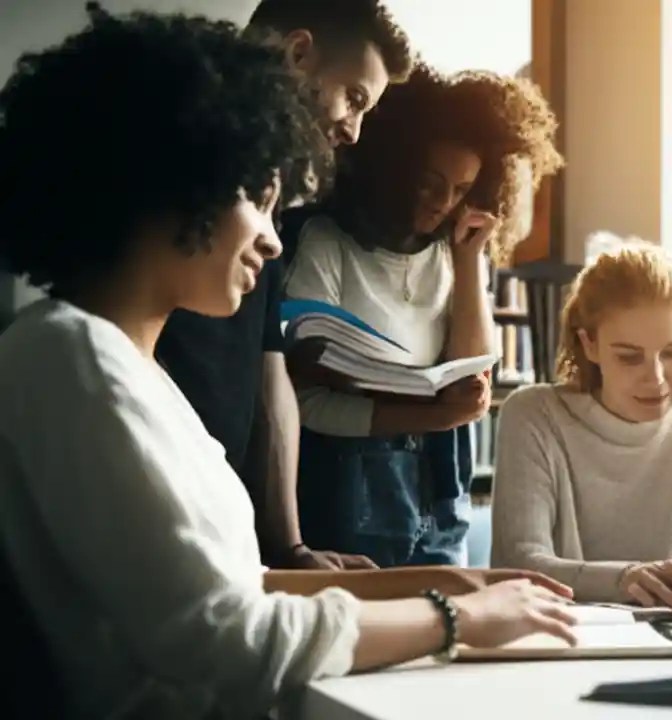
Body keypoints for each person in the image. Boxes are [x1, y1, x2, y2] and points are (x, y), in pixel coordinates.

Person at [0, 11, 575, 718]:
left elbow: (242, 587)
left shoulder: (138, 375)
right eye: (262, 202)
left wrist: (460, 585)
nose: (274, 242)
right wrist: (452, 619)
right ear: (181, 180)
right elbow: (227, 638)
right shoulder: (69, 357)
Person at [155, 0, 417, 570]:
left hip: (226, 526)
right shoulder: (174, 159)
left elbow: (269, 374)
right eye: (355, 98)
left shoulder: (265, 195)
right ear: (299, 54)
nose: (353, 130)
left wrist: (288, 547)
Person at [284, 65, 564, 568]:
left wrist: (468, 259)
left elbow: (475, 370)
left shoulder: (452, 252)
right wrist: (432, 414)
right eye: (428, 184)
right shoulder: (327, 243)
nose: (443, 204)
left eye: (461, 190)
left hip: (439, 483)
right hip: (346, 488)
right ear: (391, 167)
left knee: (444, 618)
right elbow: (300, 400)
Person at [490, 239, 672, 609]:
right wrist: (625, 580)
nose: (657, 378)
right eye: (630, 358)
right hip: (553, 639)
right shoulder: (534, 415)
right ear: (590, 346)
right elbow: (519, 565)